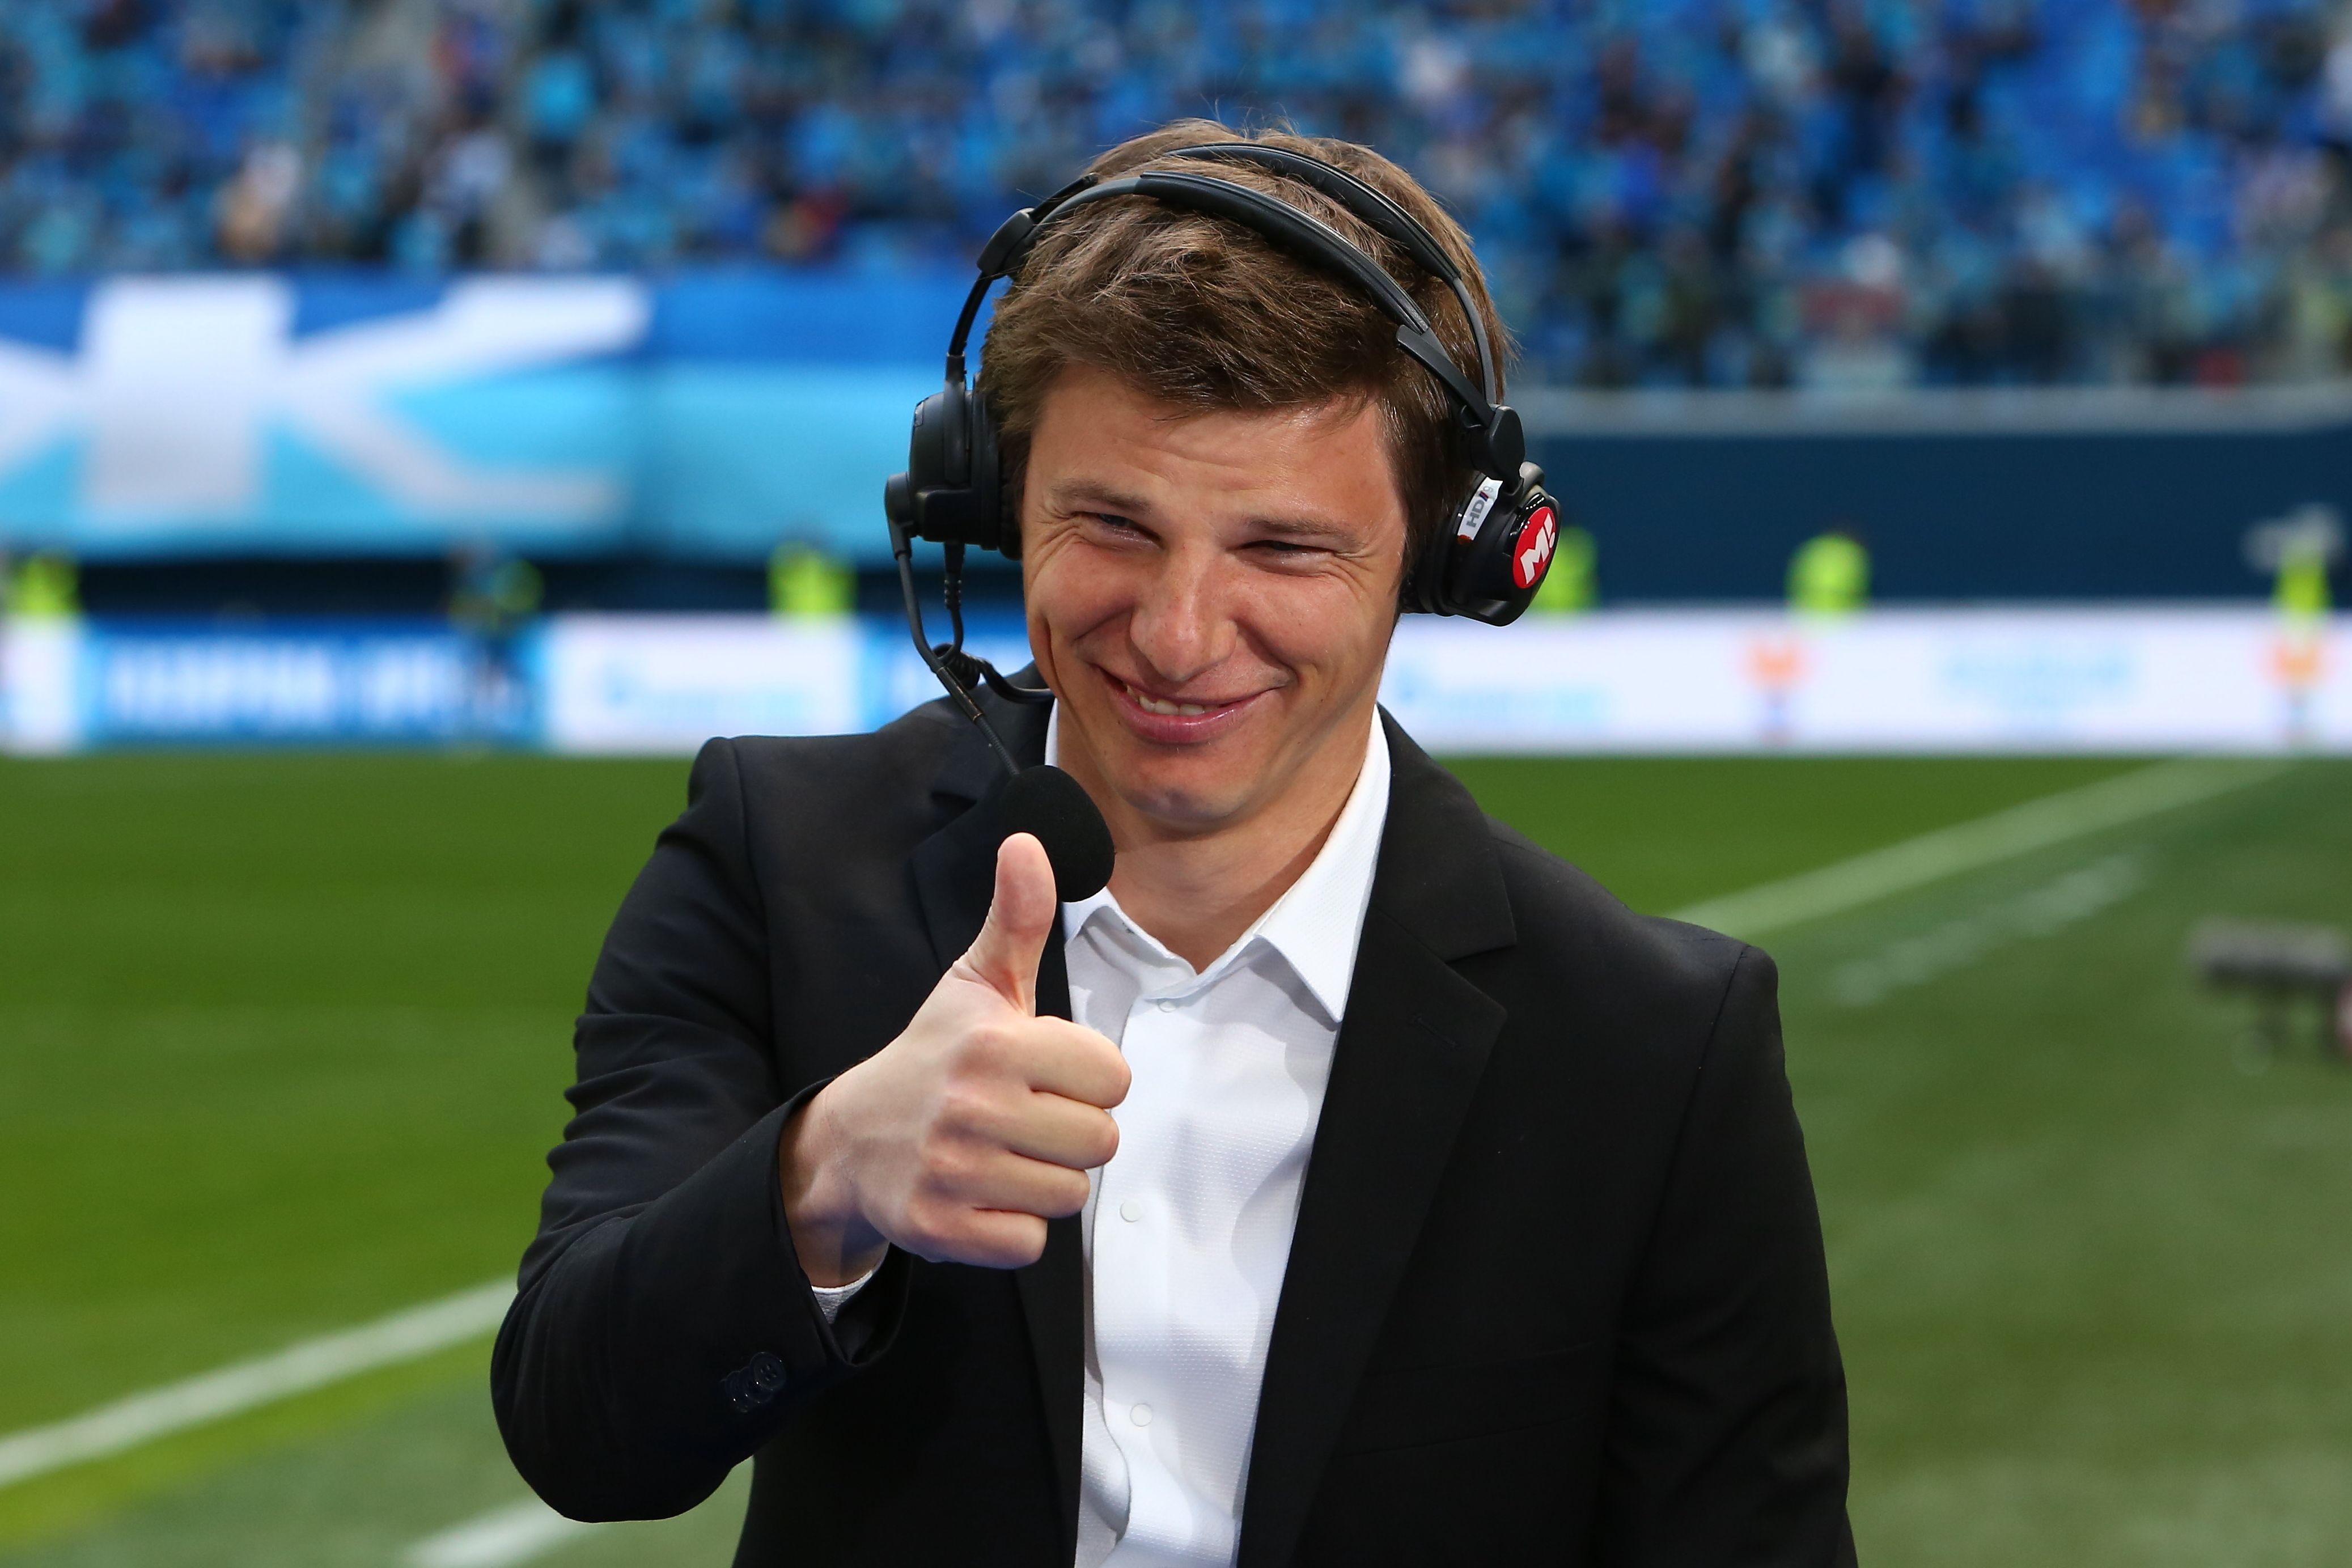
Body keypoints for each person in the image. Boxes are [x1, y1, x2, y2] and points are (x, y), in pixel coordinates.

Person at [492, 120, 1853, 1567]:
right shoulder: (778, 858)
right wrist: (819, 1177)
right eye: (1112, 525)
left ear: (1443, 556)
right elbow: (579, 1427)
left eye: (1283, 548)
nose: (1180, 634)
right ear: (991, 501)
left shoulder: (1653, 1047)